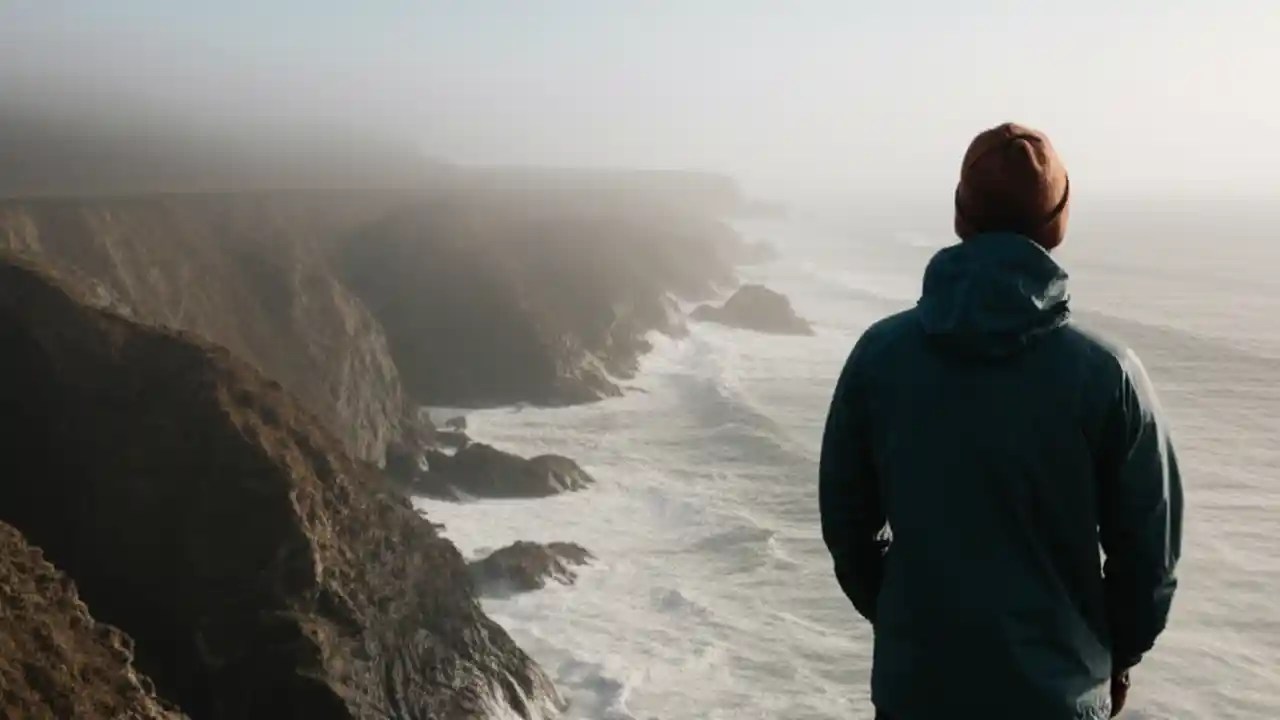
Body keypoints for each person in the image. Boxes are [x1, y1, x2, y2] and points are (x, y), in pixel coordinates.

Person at [819, 122, 1183, 719]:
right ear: (1057, 226)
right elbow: (1149, 555)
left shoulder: (879, 357)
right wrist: (1117, 655)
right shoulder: (1109, 374)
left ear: (961, 215)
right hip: (1058, 697)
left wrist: (907, 622)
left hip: (919, 691)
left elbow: (847, 526)